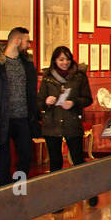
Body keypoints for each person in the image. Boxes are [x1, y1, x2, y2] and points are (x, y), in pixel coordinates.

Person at [0, 27, 39, 187]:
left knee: (25, 157)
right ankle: (5, 193)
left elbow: (32, 93)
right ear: (17, 41)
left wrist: (36, 116)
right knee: (3, 159)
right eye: (27, 41)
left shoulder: (27, 65)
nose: (29, 45)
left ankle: (19, 189)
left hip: (23, 119)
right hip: (1, 119)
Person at [38, 45, 96, 205]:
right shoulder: (48, 77)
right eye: (61, 59)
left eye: (67, 59)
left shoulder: (79, 77)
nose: (64, 62)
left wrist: (74, 102)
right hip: (52, 124)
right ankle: (57, 200)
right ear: (55, 61)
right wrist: (46, 102)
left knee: (78, 159)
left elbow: (87, 98)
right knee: (55, 163)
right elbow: (39, 102)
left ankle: (90, 193)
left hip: (71, 122)